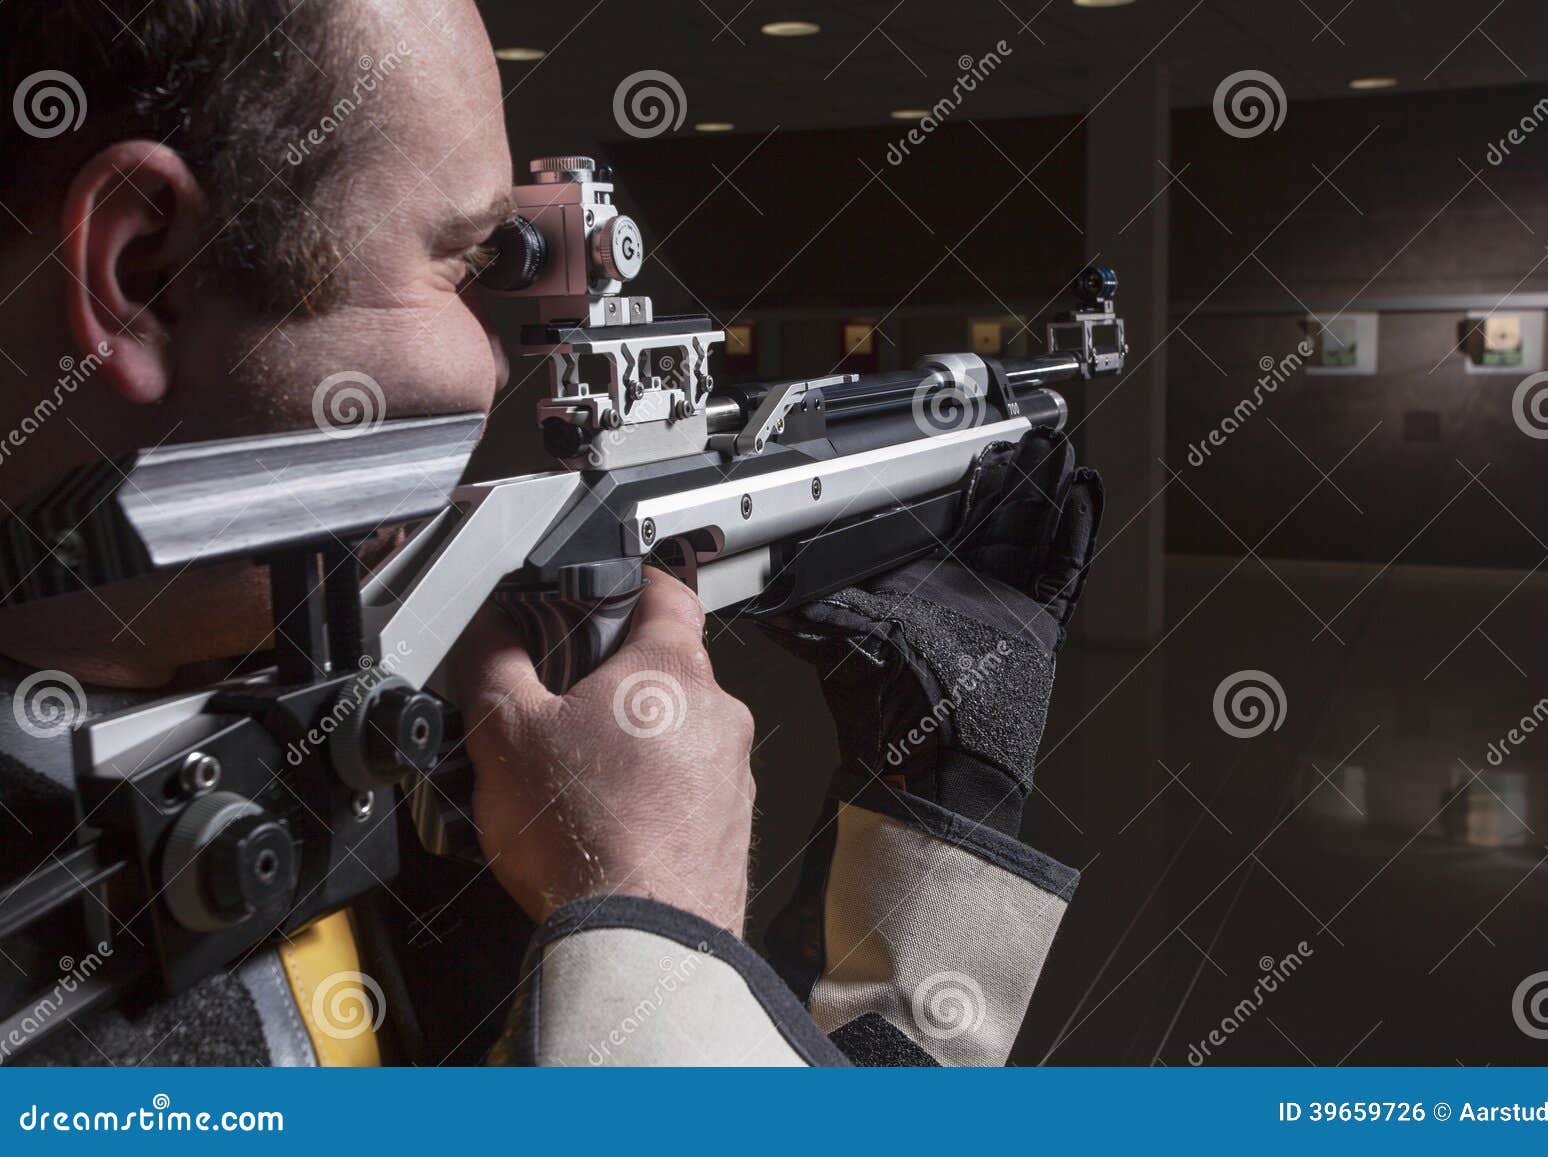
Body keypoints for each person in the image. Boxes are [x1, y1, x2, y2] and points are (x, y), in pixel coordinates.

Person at [0, 0, 1100, 1066]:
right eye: (462, 263)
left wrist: (939, 834)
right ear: (147, 274)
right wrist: (649, 913)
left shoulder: (309, 709)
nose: (496, 362)